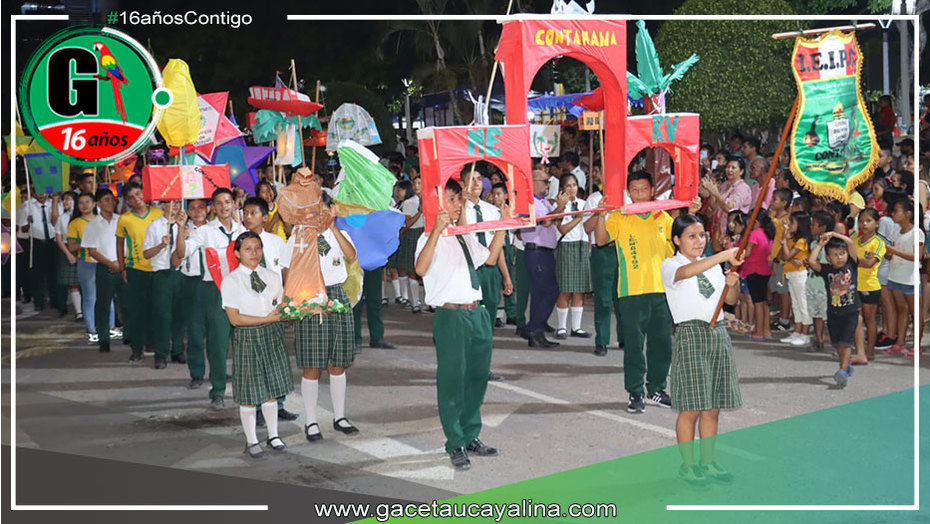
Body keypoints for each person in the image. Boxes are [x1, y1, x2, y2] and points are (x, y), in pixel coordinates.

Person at [415, 178, 509, 470]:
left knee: (477, 378)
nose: (458, 206)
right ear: (438, 204)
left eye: (459, 200)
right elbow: (420, 268)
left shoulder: (464, 235)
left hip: (477, 312)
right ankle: (454, 442)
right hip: (451, 316)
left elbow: (490, 259)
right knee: (453, 381)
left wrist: (503, 224)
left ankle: (470, 434)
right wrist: (436, 231)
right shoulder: (428, 238)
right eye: (452, 200)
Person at [594, 170, 700, 413]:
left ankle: (656, 389)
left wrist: (691, 212)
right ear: (628, 192)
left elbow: (684, 245)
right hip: (631, 292)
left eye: (644, 189)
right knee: (633, 345)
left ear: (652, 191)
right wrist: (601, 215)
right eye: (635, 190)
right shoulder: (619, 217)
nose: (640, 194)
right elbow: (600, 240)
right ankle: (635, 392)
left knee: (662, 344)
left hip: (662, 292)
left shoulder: (663, 218)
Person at [660, 214, 742, 484]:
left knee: (713, 408)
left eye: (702, 236)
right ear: (676, 239)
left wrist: (733, 283)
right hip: (691, 334)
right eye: (691, 236)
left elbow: (729, 300)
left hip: (717, 333)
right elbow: (685, 273)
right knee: (692, 408)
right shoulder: (670, 265)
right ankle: (688, 465)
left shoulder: (712, 267)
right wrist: (722, 256)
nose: (698, 241)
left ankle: (708, 462)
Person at [285, 195, 361, 442]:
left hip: (337, 294)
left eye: (322, 210)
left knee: (338, 361)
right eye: (312, 211)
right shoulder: (299, 234)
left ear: (332, 210)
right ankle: (311, 421)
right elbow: (288, 267)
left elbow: (350, 256)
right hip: (310, 296)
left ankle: (339, 417)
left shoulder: (341, 233)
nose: (317, 215)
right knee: (312, 364)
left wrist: (334, 228)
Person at [221, 231, 291, 458]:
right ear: (237, 253)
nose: (254, 253)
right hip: (248, 336)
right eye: (248, 249)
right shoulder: (231, 281)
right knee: (249, 393)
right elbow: (235, 318)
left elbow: (280, 306)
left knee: (271, 390)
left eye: (258, 248)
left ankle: (273, 435)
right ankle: (251, 440)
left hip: (273, 335)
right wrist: (268, 318)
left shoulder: (272, 276)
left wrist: (291, 311)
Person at [176, 187, 246, 409]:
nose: (224, 206)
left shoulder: (241, 230)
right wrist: (180, 229)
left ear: (234, 204)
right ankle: (217, 391)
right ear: (212, 208)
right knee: (217, 344)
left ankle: (246, 389)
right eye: (219, 203)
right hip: (215, 291)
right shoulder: (205, 231)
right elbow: (182, 252)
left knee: (244, 341)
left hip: (241, 290)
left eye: (228, 202)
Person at [115, 182, 163, 362]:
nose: (137, 199)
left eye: (138, 193)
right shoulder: (125, 219)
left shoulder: (159, 213)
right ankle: (137, 348)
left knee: (156, 308)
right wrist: (122, 267)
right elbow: (119, 244)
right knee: (136, 311)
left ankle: (153, 342)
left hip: (158, 268)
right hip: (135, 269)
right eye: (131, 197)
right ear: (127, 201)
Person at [808, 233, 861, 387]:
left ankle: (842, 371)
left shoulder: (852, 265)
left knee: (845, 342)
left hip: (851, 312)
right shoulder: (826, 270)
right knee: (838, 343)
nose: (840, 257)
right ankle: (846, 365)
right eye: (835, 255)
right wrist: (820, 245)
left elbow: (850, 242)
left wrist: (834, 234)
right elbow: (812, 261)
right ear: (828, 258)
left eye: (842, 253)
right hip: (833, 313)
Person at [522, 166, 566, 348]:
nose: (548, 184)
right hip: (537, 250)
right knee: (550, 290)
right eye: (545, 181)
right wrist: (560, 207)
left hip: (545, 251)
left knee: (541, 292)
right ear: (533, 183)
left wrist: (559, 208)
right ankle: (534, 328)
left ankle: (536, 327)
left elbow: (556, 220)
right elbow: (547, 221)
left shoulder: (544, 202)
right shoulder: (530, 202)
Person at [142, 200, 187, 369]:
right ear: (162, 205)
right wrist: (162, 244)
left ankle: (178, 350)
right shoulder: (154, 226)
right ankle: (161, 354)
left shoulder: (185, 225)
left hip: (181, 273)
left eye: (177, 202)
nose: (175, 205)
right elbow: (146, 253)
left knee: (179, 315)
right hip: (162, 274)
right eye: (170, 202)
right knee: (162, 316)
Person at [171, 198, 210, 389]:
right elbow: (175, 261)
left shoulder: (216, 228)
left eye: (201, 207)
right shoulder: (183, 230)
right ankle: (196, 372)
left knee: (216, 333)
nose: (197, 211)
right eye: (192, 208)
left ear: (208, 209)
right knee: (195, 332)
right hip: (191, 282)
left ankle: (218, 370)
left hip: (213, 284)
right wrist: (181, 234)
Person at [584, 169, 623, 356]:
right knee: (603, 299)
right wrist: (600, 212)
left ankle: (625, 338)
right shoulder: (593, 198)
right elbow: (586, 227)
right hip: (602, 252)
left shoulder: (627, 196)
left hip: (623, 251)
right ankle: (602, 341)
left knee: (623, 297)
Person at [81, 189, 122, 353]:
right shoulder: (92, 225)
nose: (110, 202)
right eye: (106, 200)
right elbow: (92, 251)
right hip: (104, 267)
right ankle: (104, 339)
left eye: (112, 199)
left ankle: (131, 336)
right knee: (103, 304)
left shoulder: (122, 220)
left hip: (124, 265)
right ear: (98, 203)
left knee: (127, 303)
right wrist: (111, 263)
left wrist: (121, 263)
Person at [883, 199, 923, 357]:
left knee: (915, 313)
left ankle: (916, 346)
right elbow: (890, 255)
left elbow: (917, 257)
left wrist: (894, 251)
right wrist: (888, 253)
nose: (893, 214)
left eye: (896, 211)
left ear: (907, 214)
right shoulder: (895, 231)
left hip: (910, 279)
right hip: (895, 276)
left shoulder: (916, 232)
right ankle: (900, 343)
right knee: (901, 311)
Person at [554, 173, 591, 339]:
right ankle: (561, 326)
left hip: (582, 247)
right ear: (562, 188)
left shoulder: (584, 204)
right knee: (565, 289)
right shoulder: (561, 206)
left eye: (574, 185)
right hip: (567, 246)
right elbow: (562, 229)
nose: (572, 188)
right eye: (568, 185)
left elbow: (588, 228)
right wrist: (578, 219)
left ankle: (576, 327)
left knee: (579, 289)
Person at [17, 190, 63, 313]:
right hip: (36, 242)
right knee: (37, 273)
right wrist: (28, 222)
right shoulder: (27, 206)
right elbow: (23, 228)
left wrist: (54, 201)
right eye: (39, 193)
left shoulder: (55, 204)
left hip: (53, 241)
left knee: (54, 272)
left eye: (44, 192)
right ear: (34, 193)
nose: (42, 195)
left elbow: (57, 222)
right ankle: (38, 301)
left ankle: (55, 300)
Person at [67, 192, 101, 343]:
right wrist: (86, 241)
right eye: (81, 202)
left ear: (94, 204)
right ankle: (92, 329)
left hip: (104, 262)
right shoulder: (75, 223)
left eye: (88, 202)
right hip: (86, 262)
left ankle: (111, 327)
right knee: (89, 297)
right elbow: (72, 246)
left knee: (107, 297)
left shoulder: (102, 221)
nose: (84, 205)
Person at [854, 208, 886, 362]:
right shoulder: (855, 241)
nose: (864, 224)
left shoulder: (878, 243)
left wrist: (855, 260)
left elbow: (869, 263)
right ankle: (859, 349)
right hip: (855, 285)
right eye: (861, 221)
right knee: (856, 319)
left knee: (869, 319)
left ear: (877, 224)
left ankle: (870, 350)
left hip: (870, 286)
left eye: (868, 221)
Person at [778, 212, 813, 347]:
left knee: (802, 304)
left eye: (792, 223)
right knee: (796, 305)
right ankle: (797, 331)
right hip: (791, 273)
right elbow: (783, 255)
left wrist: (788, 255)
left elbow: (786, 255)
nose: (789, 225)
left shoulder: (802, 241)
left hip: (799, 274)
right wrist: (785, 240)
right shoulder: (793, 239)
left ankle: (805, 333)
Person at [741, 213, 777, 341]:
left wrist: (735, 252)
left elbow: (748, 252)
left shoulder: (754, 233)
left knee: (757, 302)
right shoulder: (768, 234)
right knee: (763, 302)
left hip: (753, 269)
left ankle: (760, 332)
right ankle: (766, 330)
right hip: (764, 269)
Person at [807, 211, 836, 353]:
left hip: (824, 285)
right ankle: (818, 338)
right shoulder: (814, 244)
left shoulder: (832, 246)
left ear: (823, 228)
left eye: (814, 224)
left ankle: (834, 340)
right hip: (813, 283)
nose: (811, 226)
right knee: (816, 313)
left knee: (829, 314)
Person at [53, 192, 82, 321]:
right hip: (67, 249)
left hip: (84, 249)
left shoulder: (83, 217)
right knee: (72, 283)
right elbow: (58, 237)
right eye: (64, 199)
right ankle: (79, 312)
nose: (65, 202)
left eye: (69, 199)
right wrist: (68, 253)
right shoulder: (62, 218)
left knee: (86, 283)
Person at [768, 188, 793, 332]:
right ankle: (779, 316)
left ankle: (784, 320)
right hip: (769, 257)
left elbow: (784, 242)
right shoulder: (772, 215)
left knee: (783, 290)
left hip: (780, 261)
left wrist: (777, 260)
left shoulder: (787, 221)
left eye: (774, 200)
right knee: (775, 288)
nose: (771, 202)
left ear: (784, 203)